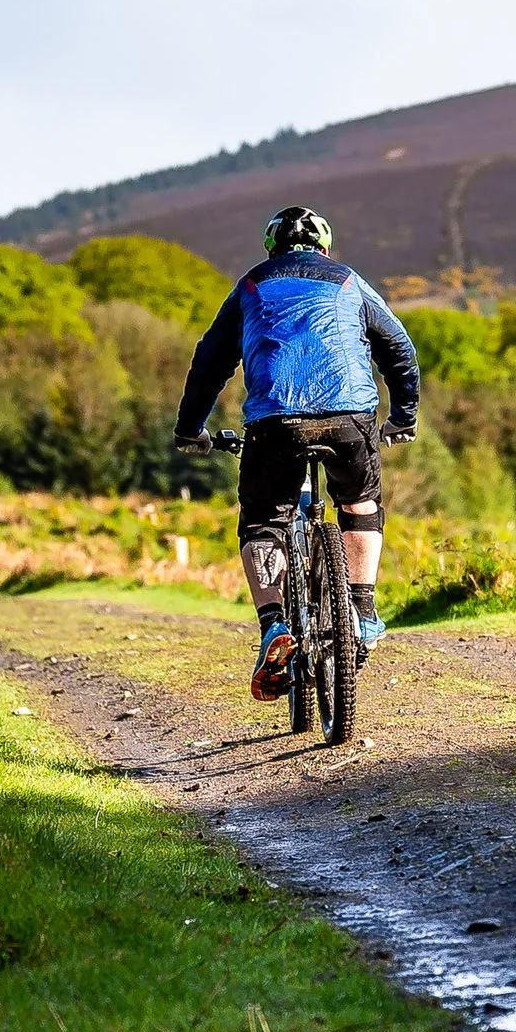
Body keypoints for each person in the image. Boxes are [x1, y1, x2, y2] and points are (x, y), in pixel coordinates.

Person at [172, 205, 421, 701]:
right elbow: (398, 346)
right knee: (359, 505)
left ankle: (273, 626)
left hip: (275, 420)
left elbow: (211, 360)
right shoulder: (349, 282)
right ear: (324, 248)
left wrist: (190, 428)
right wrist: (404, 415)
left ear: (272, 248)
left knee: (264, 520)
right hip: (350, 415)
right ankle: (363, 609)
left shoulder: (250, 286)